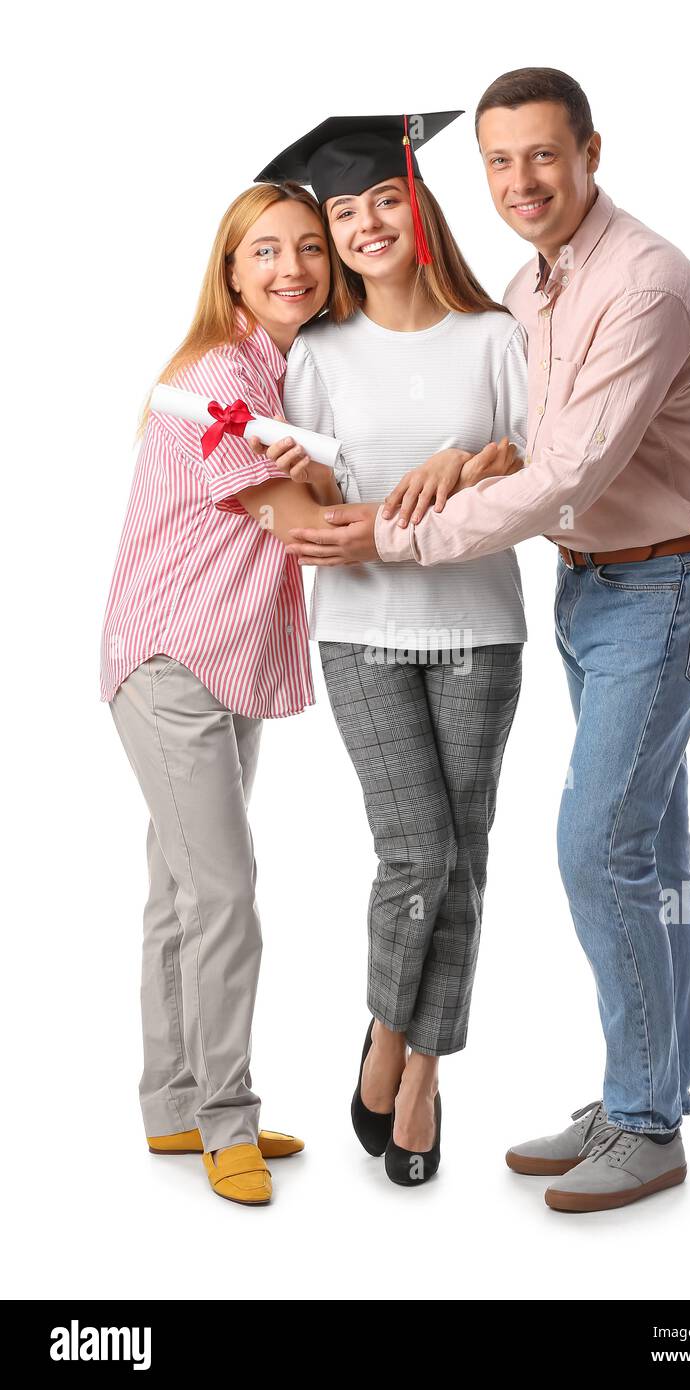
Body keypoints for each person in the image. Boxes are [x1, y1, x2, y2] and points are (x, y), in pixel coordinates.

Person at [286, 71, 690, 1213]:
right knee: (653, 860)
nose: (518, 182)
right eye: (497, 162)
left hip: (663, 582)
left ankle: (644, 1121)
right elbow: (537, 441)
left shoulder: (637, 285)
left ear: (590, 152)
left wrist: (399, 532)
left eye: (540, 157)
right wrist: (475, 457)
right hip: (593, 592)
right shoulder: (534, 287)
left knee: (597, 851)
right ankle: (644, 1093)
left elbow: (569, 471)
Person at [245, 111, 528, 1186]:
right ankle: (391, 1031)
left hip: (479, 631)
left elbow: (536, 472)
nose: (365, 224)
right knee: (419, 855)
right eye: (343, 211)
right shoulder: (315, 353)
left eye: (383, 200)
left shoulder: (497, 337)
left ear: (421, 204)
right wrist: (308, 507)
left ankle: (415, 1068)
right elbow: (298, 490)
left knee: (464, 857)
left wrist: (477, 460)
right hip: (361, 632)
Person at [100, 180, 347, 1206]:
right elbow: (303, 524)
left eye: (308, 250)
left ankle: (171, 1104)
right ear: (231, 271)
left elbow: (308, 492)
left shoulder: (284, 374)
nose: (292, 267)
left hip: (222, 664)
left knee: (179, 891)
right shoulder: (217, 379)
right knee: (224, 895)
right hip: (171, 666)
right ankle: (225, 1121)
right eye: (266, 253)